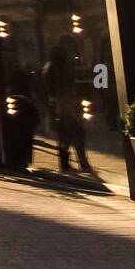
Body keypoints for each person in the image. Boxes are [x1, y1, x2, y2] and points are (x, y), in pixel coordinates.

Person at [43, 45, 93, 173]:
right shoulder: (62, 69)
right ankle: (82, 162)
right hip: (67, 105)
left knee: (64, 136)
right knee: (76, 134)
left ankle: (65, 163)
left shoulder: (48, 68)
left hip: (59, 107)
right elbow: (68, 86)